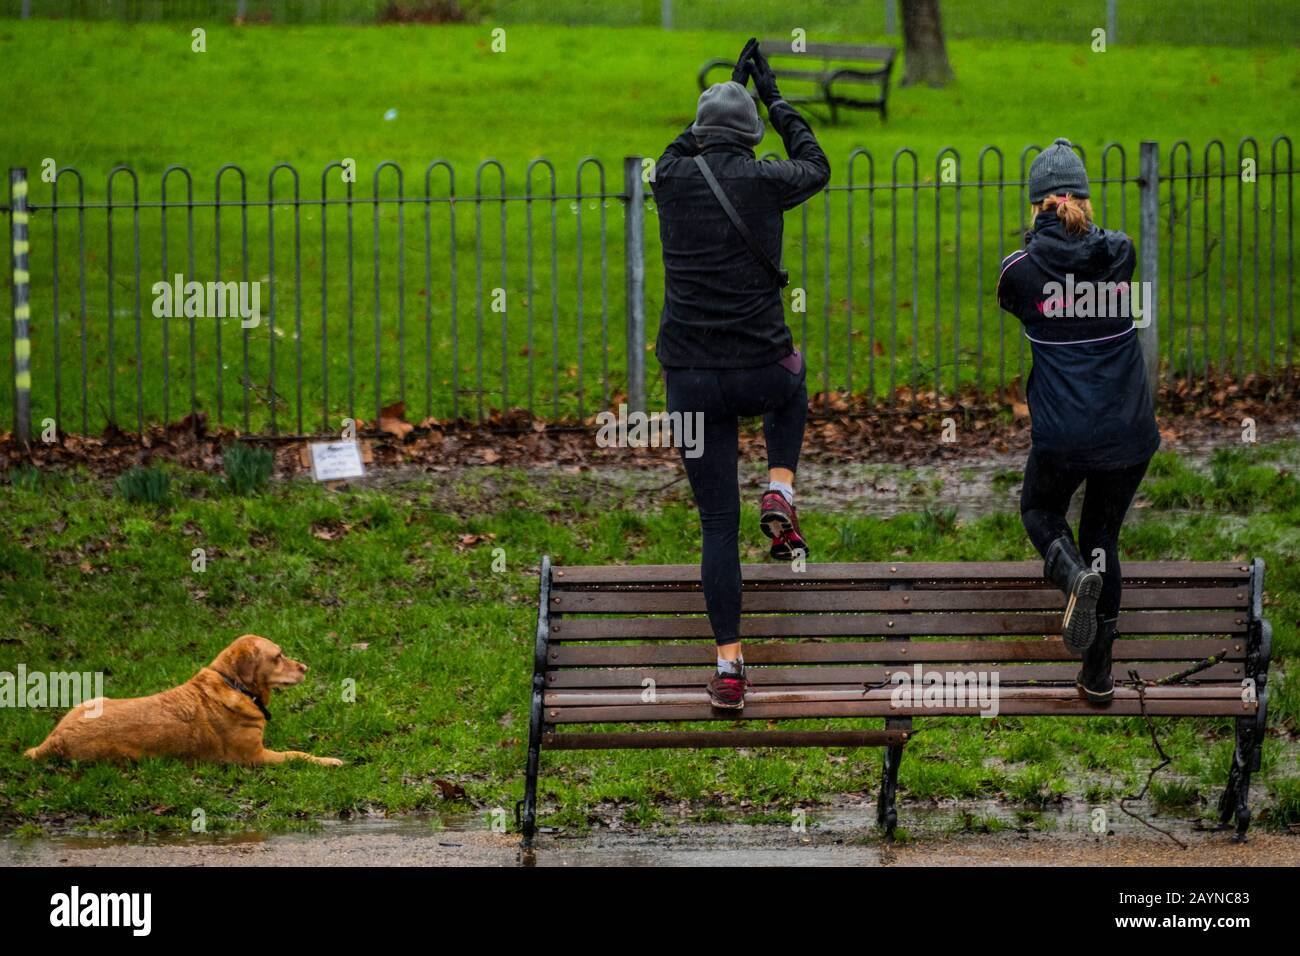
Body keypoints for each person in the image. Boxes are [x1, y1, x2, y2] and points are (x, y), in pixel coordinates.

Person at [651, 40, 830, 710]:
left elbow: (678, 147)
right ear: (752, 136)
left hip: (690, 378)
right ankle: (780, 488)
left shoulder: (669, 177)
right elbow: (818, 164)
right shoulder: (767, 182)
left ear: (698, 133)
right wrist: (772, 98)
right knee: (795, 374)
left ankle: (730, 666)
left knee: (717, 525)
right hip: (761, 369)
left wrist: (723, 90)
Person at [996, 137, 1161, 704]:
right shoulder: (1121, 254)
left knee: (1039, 508)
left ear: (1036, 203)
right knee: (1101, 538)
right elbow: (1109, 245)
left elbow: (1015, 293)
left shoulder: (1020, 271)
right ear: (1085, 201)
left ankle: (1071, 578)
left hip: (1065, 434)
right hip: (1129, 434)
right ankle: (1098, 674)